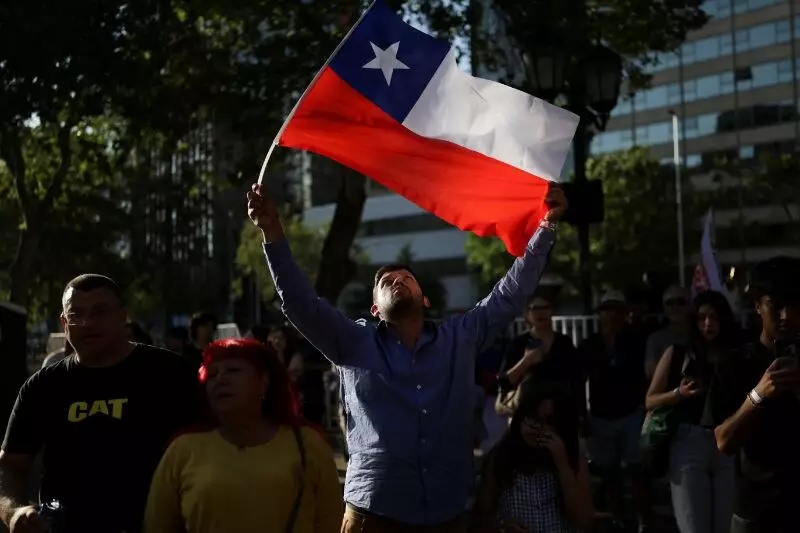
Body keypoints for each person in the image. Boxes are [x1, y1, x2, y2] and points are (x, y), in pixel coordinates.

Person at [247, 181, 566, 532]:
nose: (397, 278)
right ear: (374, 308)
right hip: (373, 513)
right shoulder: (351, 340)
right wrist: (272, 231)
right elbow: (299, 302)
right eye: (385, 281)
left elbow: (512, 293)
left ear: (425, 299)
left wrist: (546, 227)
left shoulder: (460, 336)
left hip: (449, 511)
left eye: (406, 277)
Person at [0, 274, 201, 533]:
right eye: (76, 315)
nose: (87, 323)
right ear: (63, 323)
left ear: (122, 316)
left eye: (100, 312)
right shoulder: (42, 387)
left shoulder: (172, 373)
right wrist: (13, 511)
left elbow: (212, 450)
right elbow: (9, 466)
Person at [144, 338, 342, 533]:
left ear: (263, 382)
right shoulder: (183, 449)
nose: (220, 379)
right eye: (212, 374)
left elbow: (330, 521)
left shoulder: (307, 443)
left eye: (233, 370)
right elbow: (158, 524)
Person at [712, 257, 800, 533]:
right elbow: (723, 441)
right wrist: (758, 395)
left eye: (794, 306)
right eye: (776, 306)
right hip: (757, 513)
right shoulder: (734, 363)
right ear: (758, 306)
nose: (786, 316)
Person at [645, 291, 737, 533]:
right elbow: (650, 400)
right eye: (702, 318)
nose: (708, 324)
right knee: (693, 526)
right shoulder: (678, 352)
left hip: (727, 442)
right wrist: (679, 394)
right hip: (688, 442)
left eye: (715, 318)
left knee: (725, 526)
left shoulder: (737, 353)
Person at [474, 381, 593, 533]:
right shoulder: (500, 457)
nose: (539, 429)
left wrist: (563, 466)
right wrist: (501, 527)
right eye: (533, 419)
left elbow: (583, 521)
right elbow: (481, 517)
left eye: (549, 422)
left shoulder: (573, 458)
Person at [579, 291, 651, 533]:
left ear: (623, 314)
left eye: (615, 310)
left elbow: (645, 377)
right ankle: (618, 517)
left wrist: (644, 408)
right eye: (606, 310)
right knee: (609, 472)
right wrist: (583, 417)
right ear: (599, 314)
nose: (610, 315)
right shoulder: (589, 345)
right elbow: (579, 383)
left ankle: (643, 519)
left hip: (632, 412)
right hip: (600, 415)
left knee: (636, 469)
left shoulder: (637, 340)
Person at [496, 296, 584, 420]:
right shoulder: (519, 343)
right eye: (535, 309)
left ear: (552, 311)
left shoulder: (564, 343)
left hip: (560, 414)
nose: (541, 313)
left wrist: (580, 415)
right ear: (527, 314)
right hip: (527, 417)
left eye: (545, 308)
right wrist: (526, 362)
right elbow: (504, 381)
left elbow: (577, 381)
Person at [645, 285, 691, 379]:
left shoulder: (702, 334)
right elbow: (651, 373)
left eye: (680, 302)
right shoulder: (656, 339)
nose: (675, 307)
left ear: (690, 304)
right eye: (669, 303)